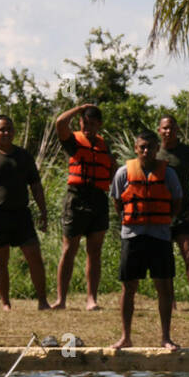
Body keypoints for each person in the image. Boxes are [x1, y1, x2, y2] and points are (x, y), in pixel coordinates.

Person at [110, 129, 182, 351]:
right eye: (142, 147)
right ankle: (125, 336)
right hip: (133, 235)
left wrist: (167, 220)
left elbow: (177, 201)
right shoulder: (123, 173)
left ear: (157, 148)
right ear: (136, 148)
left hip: (159, 235)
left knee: (164, 286)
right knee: (128, 287)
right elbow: (117, 202)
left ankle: (166, 337)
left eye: (150, 147)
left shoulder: (168, 174)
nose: (146, 151)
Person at [0, 115, 51, 311]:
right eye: (2, 130)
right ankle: (5, 303)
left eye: (9, 129)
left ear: (14, 132)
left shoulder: (24, 157)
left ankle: (43, 301)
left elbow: (36, 186)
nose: (6, 133)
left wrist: (43, 212)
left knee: (34, 255)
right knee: (0, 259)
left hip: (21, 215)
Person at [53, 102, 116, 310]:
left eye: (91, 123)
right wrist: (79, 108)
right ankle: (61, 299)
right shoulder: (73, 142)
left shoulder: (104, 145)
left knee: (94, 251)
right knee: (69, 249)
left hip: (98, 199)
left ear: (99, 124)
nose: (87, 127)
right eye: (83, 122)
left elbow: (114, 171)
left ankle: (91, 299)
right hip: (76, 199)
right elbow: (60, 122)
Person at [157, 114, 189, 311]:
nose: (168, 131)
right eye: (165, 128)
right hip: (160, 215)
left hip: (184, 213)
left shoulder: (187, 153)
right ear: (159, 131)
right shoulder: (154, 153)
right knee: (164, 258)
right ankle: (171, 299)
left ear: (177, 130)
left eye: (172, 128)